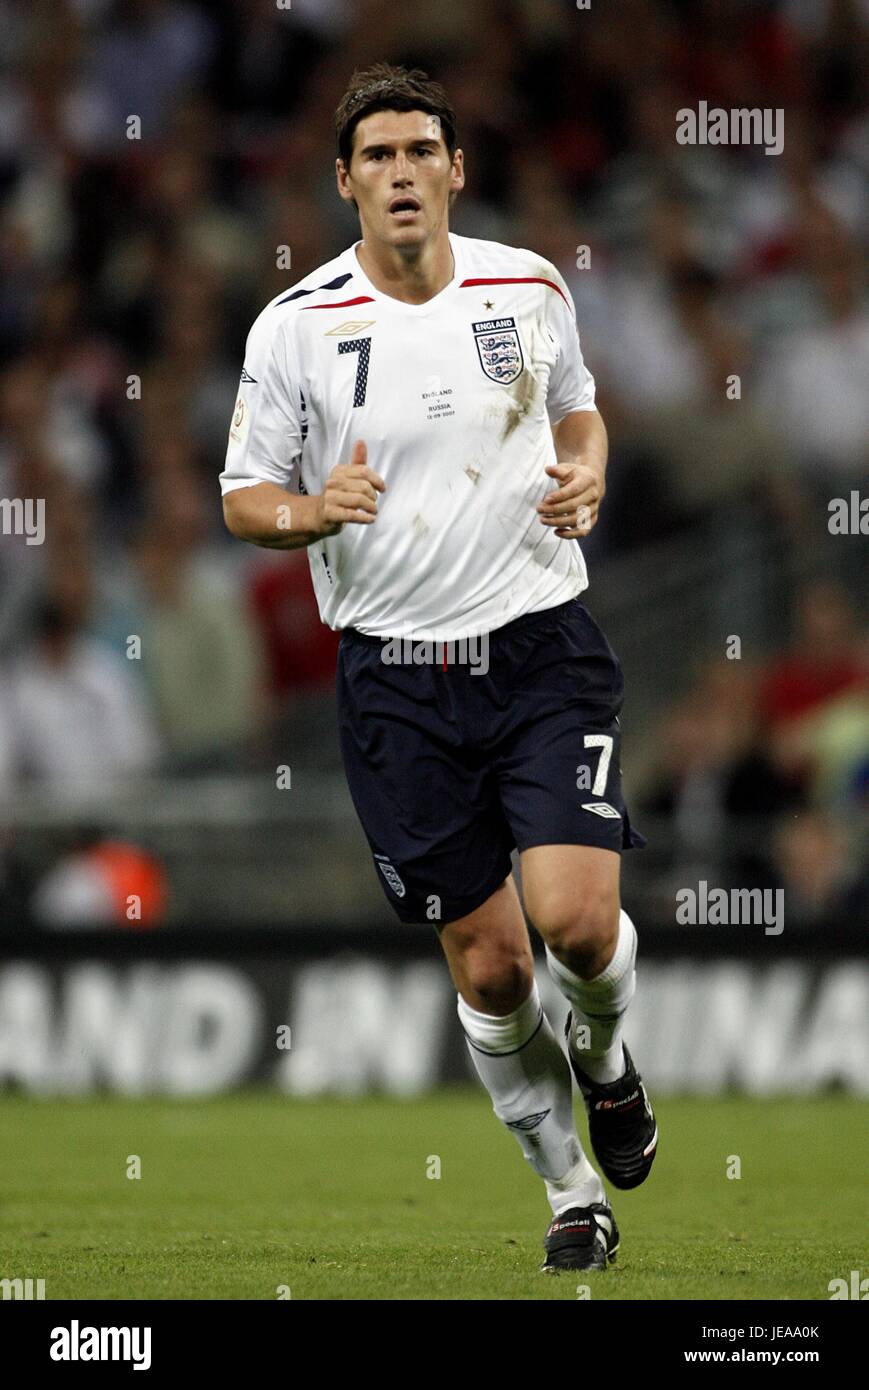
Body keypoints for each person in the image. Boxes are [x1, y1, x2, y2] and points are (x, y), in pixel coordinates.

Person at [219, 63, 656, 1275]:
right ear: (345, 181)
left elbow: (577, 410)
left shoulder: (529, 281)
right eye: (377, 157)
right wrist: (310, 512)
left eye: (421, 151)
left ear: (456, 169)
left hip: (538, 648)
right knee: (492, 962)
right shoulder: (294, 326)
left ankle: (608, 1063)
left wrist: (589, 469)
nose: (401, 173)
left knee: (573, 922)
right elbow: (242, 500)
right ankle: (571, 1190)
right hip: (395, 683)